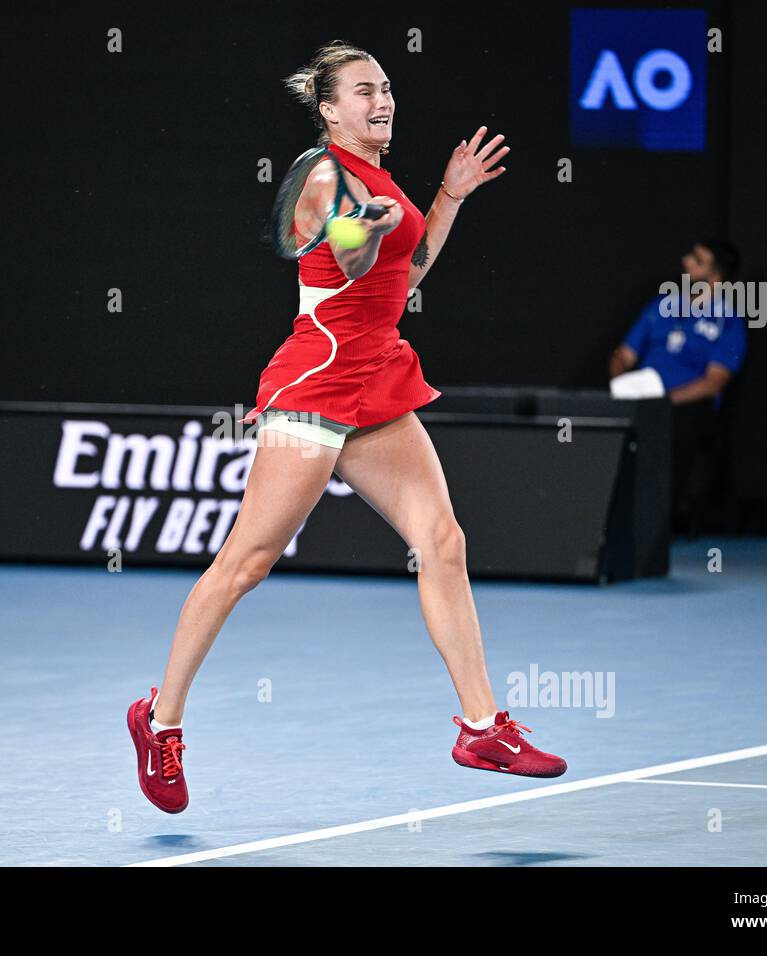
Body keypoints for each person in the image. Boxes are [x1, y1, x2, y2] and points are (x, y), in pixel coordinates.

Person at [127, 41, 566, 815]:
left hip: (379, 379)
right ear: (330, 110)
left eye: (387, 87)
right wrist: (367, 224)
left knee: (443, 542)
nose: (382, 99)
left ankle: (481, 726)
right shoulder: (322, 174)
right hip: (315, 386)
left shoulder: (382, 181)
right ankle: (159, 721)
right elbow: (351, 259)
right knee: (247, 563)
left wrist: (449, 195)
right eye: (364, 91)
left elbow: (410, 270)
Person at [609, 239, 747, 532]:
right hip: (642, 396)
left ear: (716, 276)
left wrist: (663, 401)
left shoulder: (730, 321)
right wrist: (621, 382)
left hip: (685, 406)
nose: (686, 261)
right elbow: (623, 354)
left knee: (682, 426)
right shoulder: (661, 306)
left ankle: (654, 525)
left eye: (697, 260)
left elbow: (713, 383)